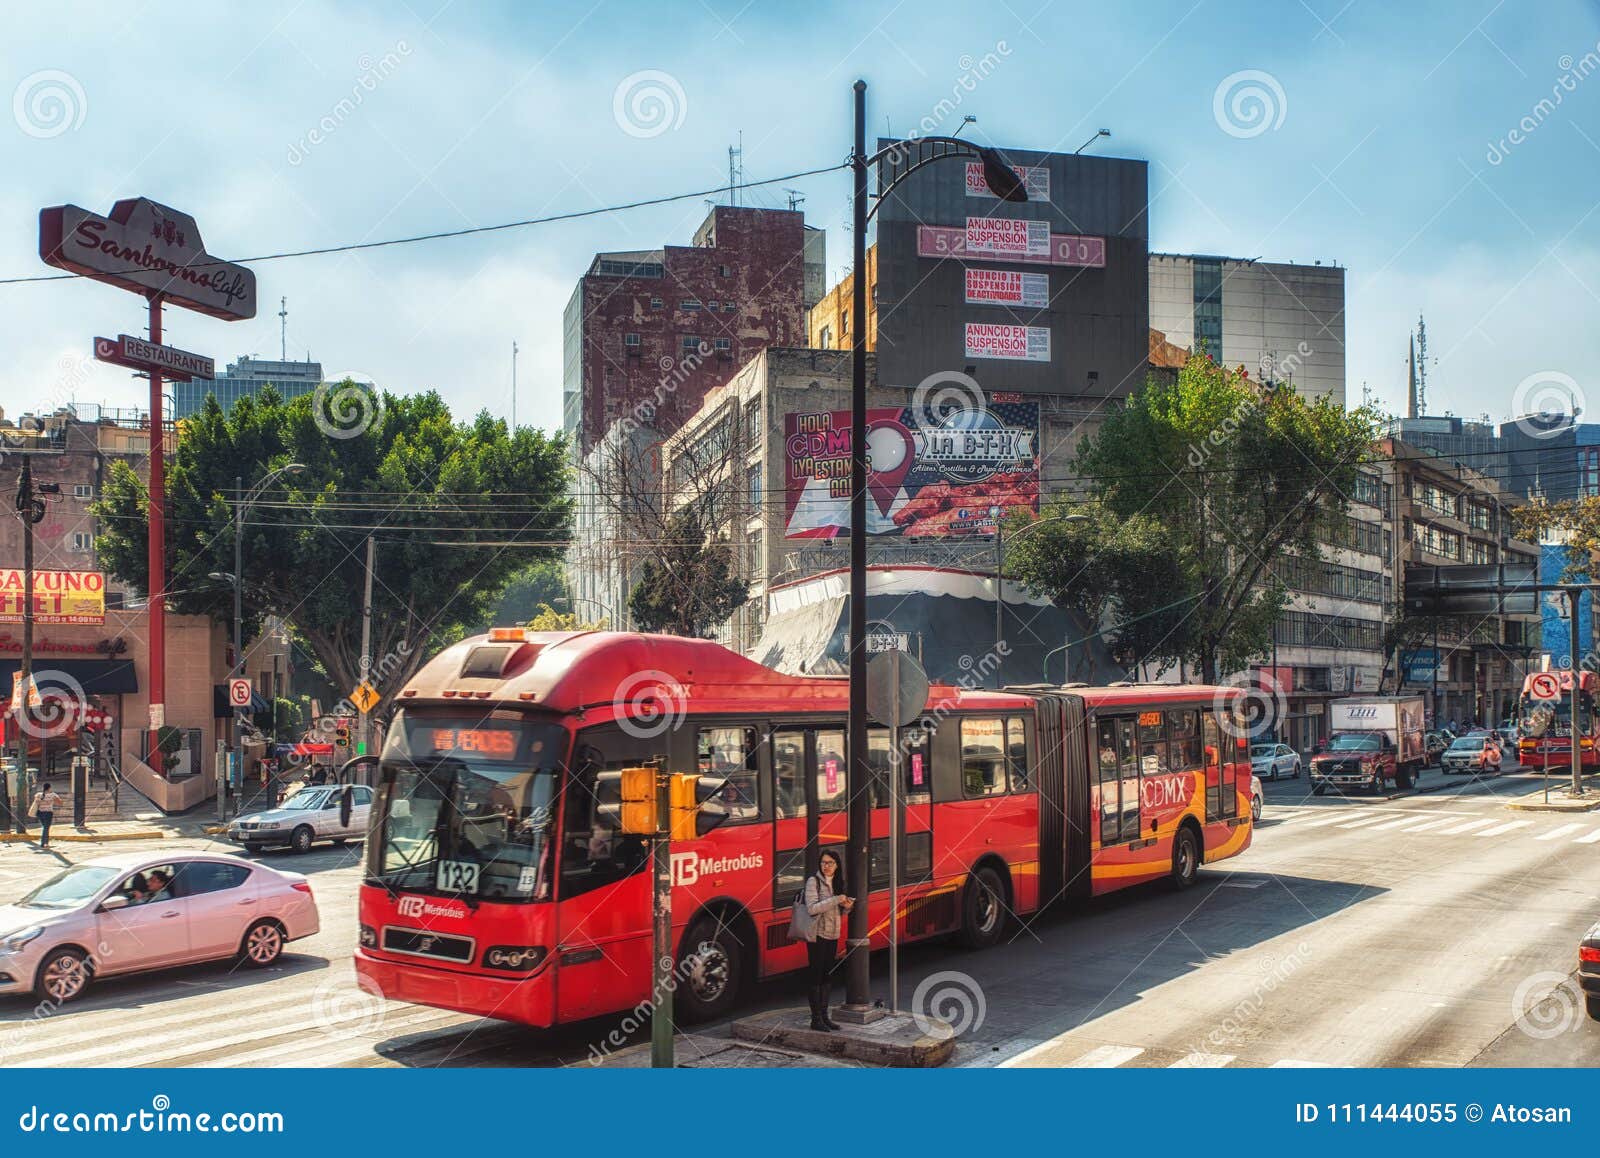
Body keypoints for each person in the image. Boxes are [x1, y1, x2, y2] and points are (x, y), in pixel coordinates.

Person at [800, 849, 854, 1032]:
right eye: (823, 862)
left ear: (837, 865)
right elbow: (812, 909)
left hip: (833, 934)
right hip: (817, 935)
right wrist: (836, 899)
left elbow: (839, 911)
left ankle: (824, 1017)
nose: (826, 866)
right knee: (816, 975)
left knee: (827, 975)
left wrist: (847, 907)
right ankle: (815, 1019)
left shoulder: (838, 883)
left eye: (830, 863)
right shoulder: (813, 882)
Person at [30, 781, 63, 850]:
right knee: (46, 828)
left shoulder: (38, 795)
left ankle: (45, 842)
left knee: (44, 827)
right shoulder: (53, 795)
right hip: (48, 813)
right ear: (49, 788)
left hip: (40, 813)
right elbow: (60, 803)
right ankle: (44, 843)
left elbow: (36, 801)